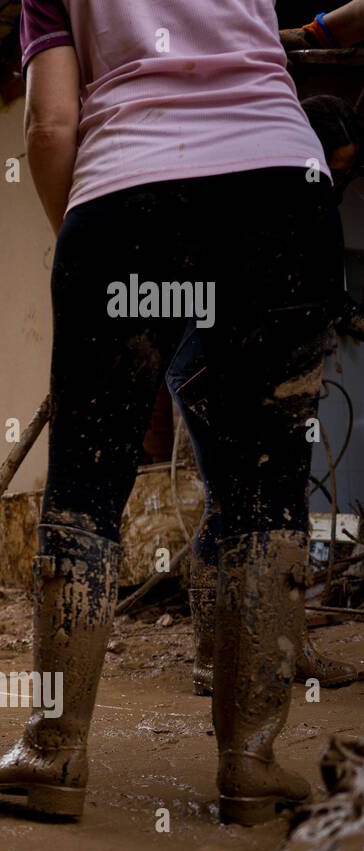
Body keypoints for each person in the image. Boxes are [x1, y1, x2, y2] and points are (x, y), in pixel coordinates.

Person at [0, 0, 341, 826]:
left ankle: (55, 748)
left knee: (86, 489)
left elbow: (52, 122)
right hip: (282, 191)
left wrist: (86, 248)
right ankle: (250, 763)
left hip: (130, 193)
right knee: (264, 491)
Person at [171, 94, 363, 696]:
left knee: (282, 509)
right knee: (230, 507)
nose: (337, 179)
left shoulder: (294, 191)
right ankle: (210, 654)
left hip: (245, 361)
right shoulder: (253, 189)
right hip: (207, 368)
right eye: (337, 163)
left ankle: (290, 646)